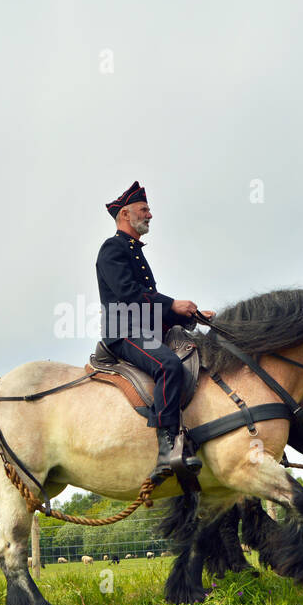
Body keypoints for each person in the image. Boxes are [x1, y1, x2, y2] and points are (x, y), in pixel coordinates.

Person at [96, 181, 212, 482]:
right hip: (124, 333)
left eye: (148, 209)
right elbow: (129, 294)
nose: (150, 215)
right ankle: (167, 449)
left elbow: (149, 304)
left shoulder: (134, 250)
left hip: (146, 330)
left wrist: (193, 315)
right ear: (125, 214)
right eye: (144, 209)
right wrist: (173, 303)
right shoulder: (113, 248)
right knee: (168, 365)